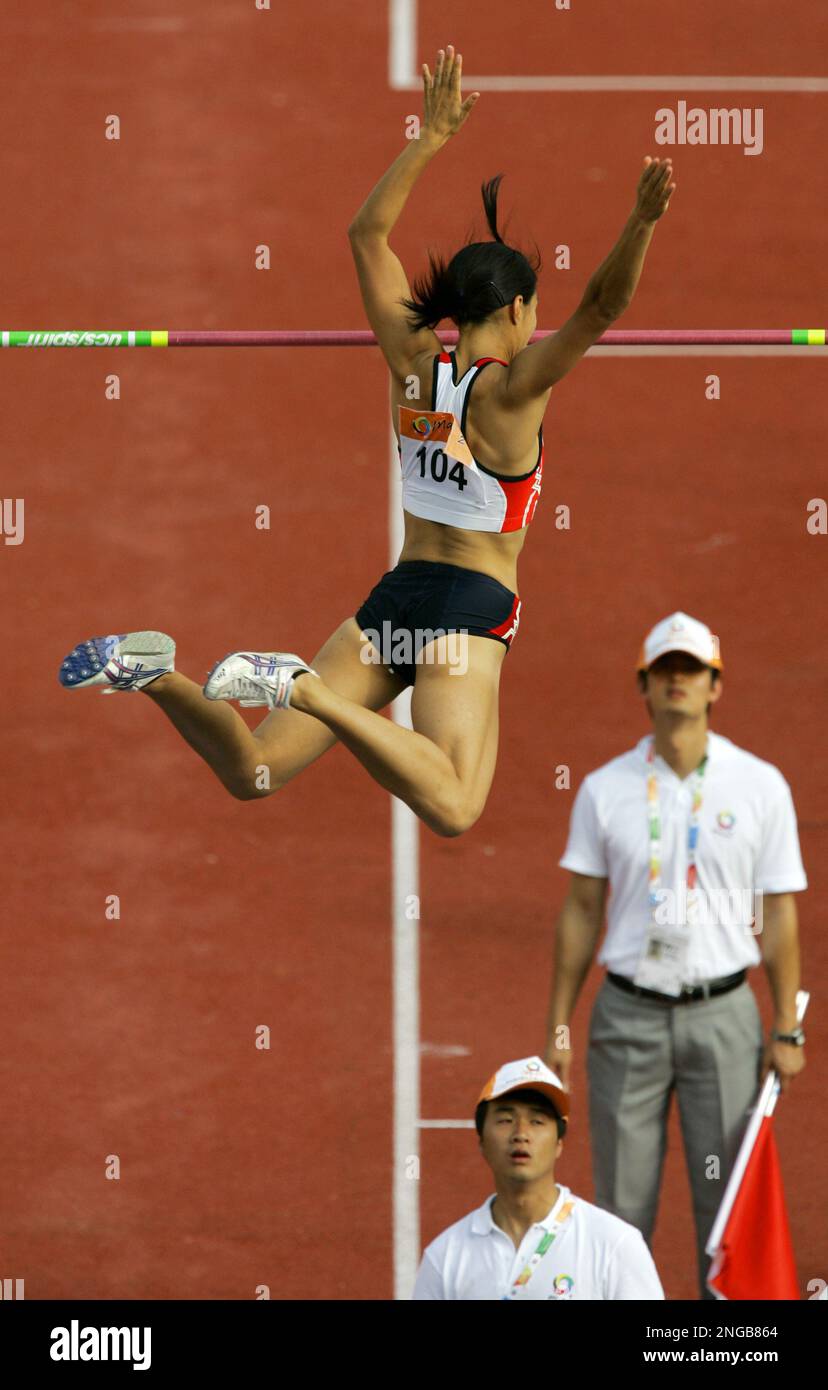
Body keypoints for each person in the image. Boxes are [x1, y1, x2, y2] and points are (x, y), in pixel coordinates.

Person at [57, 44, 676, 839]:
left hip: (399, 599)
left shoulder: (411, 359)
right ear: (518, 310)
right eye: (534, 312)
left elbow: (365, 236)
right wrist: (643, 220)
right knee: (454, 805)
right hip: (463, 611)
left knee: (254, 771)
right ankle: (307, 690)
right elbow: (601, 306)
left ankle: (154, 674)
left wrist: (430, 138)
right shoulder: (515, 391)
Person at [543, 612, 807, 1299]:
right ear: (645, 684)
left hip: (725, 1018)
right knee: (620, 1216)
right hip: (626, 1018)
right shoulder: (605, 789)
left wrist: (786, 1024)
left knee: (724, 1213)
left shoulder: (760, 786)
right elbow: (580, 910)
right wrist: (559, 1025)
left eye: (691, 670)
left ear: (716, 685)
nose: (678, 681)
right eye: (666, 670)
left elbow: (778, 912)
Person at [412, 1056, 664, 1299]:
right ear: (482, 1143)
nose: (521, 1134)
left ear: (559, 1144)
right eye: (505, 1120)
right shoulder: (444, 1256)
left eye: (537, 1121)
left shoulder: (615, 1244)